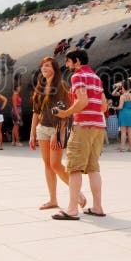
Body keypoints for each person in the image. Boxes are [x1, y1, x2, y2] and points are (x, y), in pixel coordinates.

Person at [51, 48, 108, 220]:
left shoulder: (78, 77)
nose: (67, 65)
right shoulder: (97, 78)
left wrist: (65, 113)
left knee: (74, 167)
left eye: (68, 61)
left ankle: (71, 209)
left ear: (76, 61)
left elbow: (82, 101)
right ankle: (97, 207)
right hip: (98, 126)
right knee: (93, 168)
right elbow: (104, 106)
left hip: (83, 125)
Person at [29, 56, 83, 210]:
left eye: (48, 66)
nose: (44, 68)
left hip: (56, 129)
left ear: (54, 69)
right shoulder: (41, 86)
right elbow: (35, 112)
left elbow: (65, 111)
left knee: (56, 165)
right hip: (42, 129)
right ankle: (53, 200)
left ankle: (77, 193)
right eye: (43, 66)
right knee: (47, 165)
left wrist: (57, 133)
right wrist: (32, 133)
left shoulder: (61, 85)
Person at [115, 82, 131, 152]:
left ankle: (122, 147)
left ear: (123, 88)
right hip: (130, 112)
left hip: (123, 113)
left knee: (123, 132)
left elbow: (121, 107)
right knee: (130, 131)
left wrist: (115, 108)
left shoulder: (122, 96)